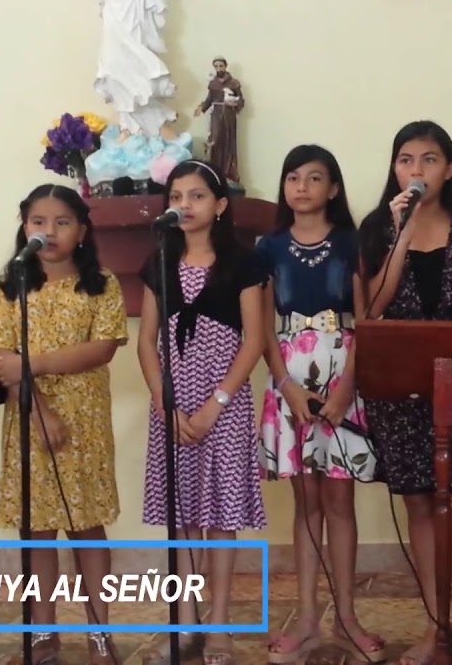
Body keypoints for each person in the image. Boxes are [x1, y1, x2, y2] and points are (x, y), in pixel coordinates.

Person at [357, 120, 452, 665]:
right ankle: (436, 626)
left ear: (451, 168)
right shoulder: (377, 227)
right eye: (405, 160)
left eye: (429, 160)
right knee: (421, 506)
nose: (416, 171)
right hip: (402, 387)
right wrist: (399, 234)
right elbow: (371, 308)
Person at [0, 184, 129, 665]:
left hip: (85, 420)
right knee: (37, 530)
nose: (49, 231)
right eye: (38, 222)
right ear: (24, 228)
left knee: (86, 527)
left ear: (82, 231)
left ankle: (100, 633)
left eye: (62, 221)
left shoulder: (102, 283)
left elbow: (103, 346)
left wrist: (37, 362)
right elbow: (5, 363)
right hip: (28, 420)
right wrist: (41, 412)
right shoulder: (10, 286)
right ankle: (43, 632)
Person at [257, 145, 385, 664]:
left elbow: (367, 319)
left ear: (333, 189)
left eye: (314, 178)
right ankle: (306, 617)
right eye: (293, 177)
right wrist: (286, 383)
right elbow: (261, 327)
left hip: (342, 373)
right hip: (289, 374)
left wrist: (347, 387)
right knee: (306, 504)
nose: (302, 187)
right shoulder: (267, 247)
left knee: (340, 502)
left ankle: (346, 615)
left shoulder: (354, 244)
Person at [137, 159, 267, 665]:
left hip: (223, 405)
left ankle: (218, 625)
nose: (184, 205)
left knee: (220, 516)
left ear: (220, 205)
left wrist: (217, 403)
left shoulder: (244, 263)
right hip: (171, 406)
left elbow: (254, 341)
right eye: (176, 196)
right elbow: (147, 342)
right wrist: (163, 401)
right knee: (182, 516)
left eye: (195, 196)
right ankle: (185, 623)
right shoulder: (159, 265)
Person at [63, 0, 190, 141]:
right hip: (113, 37)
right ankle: (127, 128)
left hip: (137, 36)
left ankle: (156, 128)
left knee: (140, 80)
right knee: (116, 79)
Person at [194, 57, 246, 184]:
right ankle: (215, 172)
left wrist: (234, 103)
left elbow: (241, 100)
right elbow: (209, 99)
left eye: (221, 66)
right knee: (215, 142)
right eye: (216, 66)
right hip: (216, 116)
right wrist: (202, 108)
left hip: (228, 116)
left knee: (228, 144)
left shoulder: (234, 83)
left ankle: (229, 173)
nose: (218, 68)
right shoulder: (213, 84)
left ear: (225, 66)